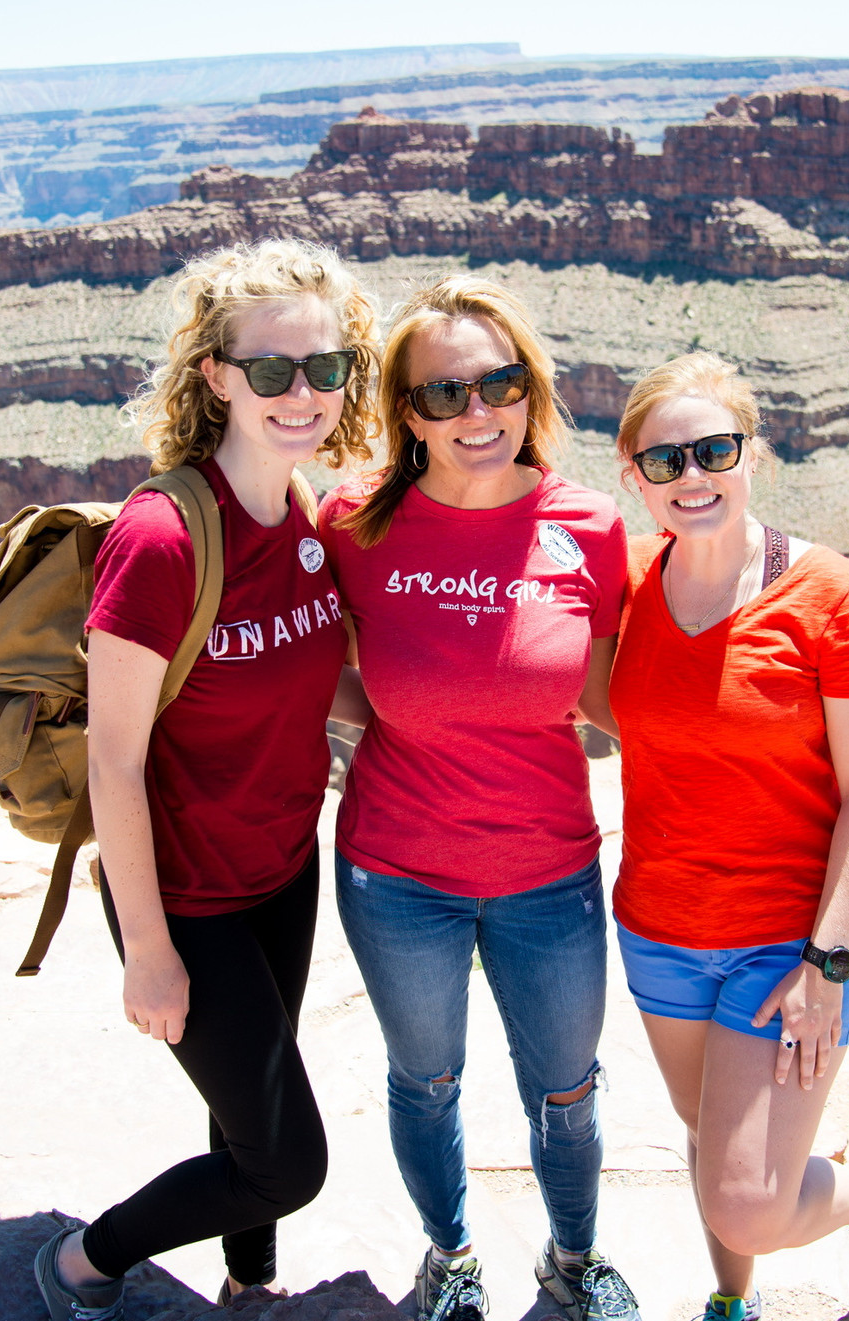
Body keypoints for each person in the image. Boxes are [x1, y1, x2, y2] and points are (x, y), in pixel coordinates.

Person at [33, 239, 378, 1321]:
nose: (301, 394)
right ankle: (87, 1259)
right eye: (270, 370)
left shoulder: (310, 518)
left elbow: (322, 686)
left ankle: (249, 1279)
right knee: (291, 1161)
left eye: (325, 370)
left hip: (283, 866)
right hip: (190, 899)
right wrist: (148, 950)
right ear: (218, 375)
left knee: (245, 1108)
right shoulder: (163, 540)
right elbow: (117, 759)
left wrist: (489, 711)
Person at [317, 274, 640, 1321]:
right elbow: (310, 661)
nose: (477, 412)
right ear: (406, 414)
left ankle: (575, 1260)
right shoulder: (356, 524)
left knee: (568, 1089)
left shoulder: (587, 528)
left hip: (548, 872)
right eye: (443, 393)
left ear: (530, 388)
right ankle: (451, 1256)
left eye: (499, 383)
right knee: (426, 1080)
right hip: (395, 873)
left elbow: (608, 698)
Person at [598, 353, 849, 1321]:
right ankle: (731, 1304)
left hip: (787, 940)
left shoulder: (832, 600)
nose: (691, 476)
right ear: (633, 476)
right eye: (665, 460)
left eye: (714, 450)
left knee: (746, 1197)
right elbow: (587, 694)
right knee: (707, 1137)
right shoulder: (628, 586)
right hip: (659, 925)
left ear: (752, 453)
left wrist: (828, 963)